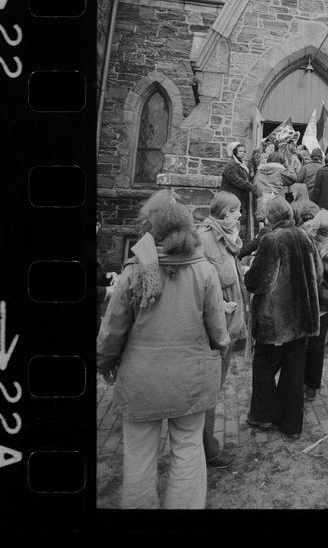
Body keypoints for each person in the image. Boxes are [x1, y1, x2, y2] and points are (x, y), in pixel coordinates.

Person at [97, 190, 231, 509]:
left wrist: (105, 363)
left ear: (152, 227)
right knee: (187, 451)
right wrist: (219, 349)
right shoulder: (204, 270)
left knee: (140, 458)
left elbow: (112, 330)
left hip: (141, 381)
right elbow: (219, 332)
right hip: (190, 379)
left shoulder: (134, 270)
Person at [244, 197, 322, 439]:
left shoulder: (272, 240)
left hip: (276, 319)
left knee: (264, 366)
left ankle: (265, 415)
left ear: (271, 217)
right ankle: (291, 424)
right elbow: (318, 272)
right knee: (294, 369)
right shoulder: (304, 236)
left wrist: (248, 275)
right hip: (302, 317)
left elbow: (260, 281)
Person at [196, 191, 250, 469]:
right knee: (208, 394)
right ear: (221, 213)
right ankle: (206, 452)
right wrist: (220, 305)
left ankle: (204, 449)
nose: (240, 215)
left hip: (227, 328)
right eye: (235, 210)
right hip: (212, 331)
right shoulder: (204, 239)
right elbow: (198, 287)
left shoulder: (229, 240)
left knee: (212, 393)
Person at [301, 209, 328, 401]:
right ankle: (311, 385)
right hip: (323, 300)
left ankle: (299, 380)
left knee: (301, 343)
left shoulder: (305, 243)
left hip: (304, 298)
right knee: (317, 346)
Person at [219, 141, 261, 237]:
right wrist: (251, 187)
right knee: (228, 223)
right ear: (234, 152)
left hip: (238, 199)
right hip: (230, 198)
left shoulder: (242, 164)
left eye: (244, 151)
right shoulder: (231, 164)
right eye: (240, 151)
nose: (243, 153)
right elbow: (237, 180)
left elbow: (246, 178)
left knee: (235, 224)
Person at [254, 151, 296, 225]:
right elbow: (293, 178)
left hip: (263, 197)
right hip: (276, 198)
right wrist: (288, 165)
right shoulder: (281, 169)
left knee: (263, 221)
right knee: (277, 221)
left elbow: (255, 183)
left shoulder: (260, 169)